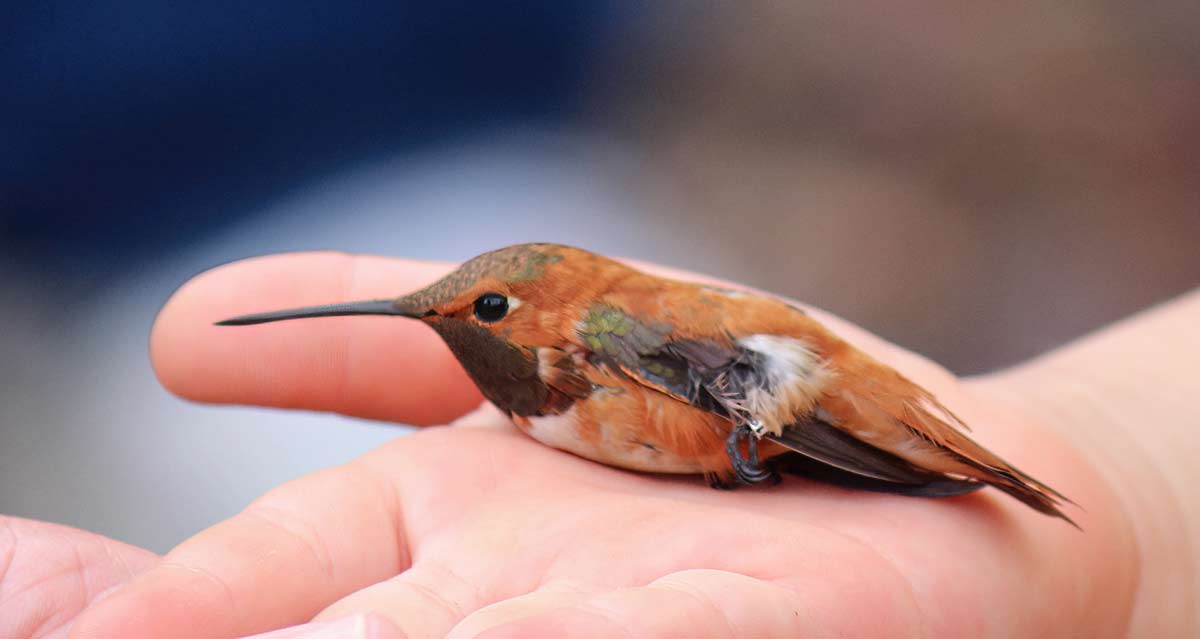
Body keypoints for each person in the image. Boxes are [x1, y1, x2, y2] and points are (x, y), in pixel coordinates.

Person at [3, 252, 1195, 639]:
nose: (455, 325)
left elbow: (765, 386)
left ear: (541, 313)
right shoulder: (539, 382)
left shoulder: (608, 333)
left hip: (797, 398)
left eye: (481, 313)